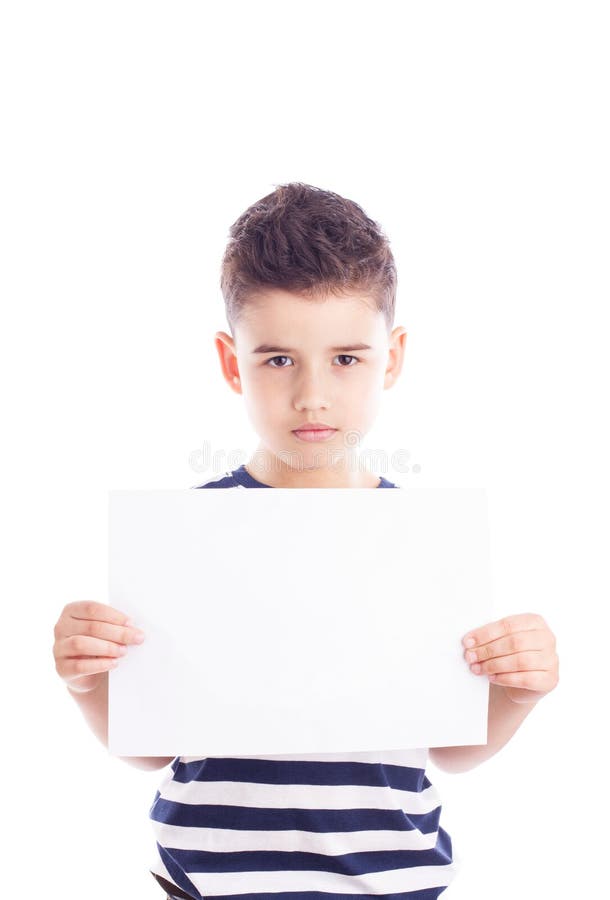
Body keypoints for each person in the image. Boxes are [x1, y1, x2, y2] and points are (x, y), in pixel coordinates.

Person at [52, 182, 560, 899]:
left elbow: (451, 747)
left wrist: (518, 692)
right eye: (279, 359)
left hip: (389, 880)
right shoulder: (183, 542)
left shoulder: (425, 548)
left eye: (347, 359)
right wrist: (87, 682)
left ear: (394, 357)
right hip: (205, 880)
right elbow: (152, 744)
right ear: (234, 364)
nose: (313, 395)